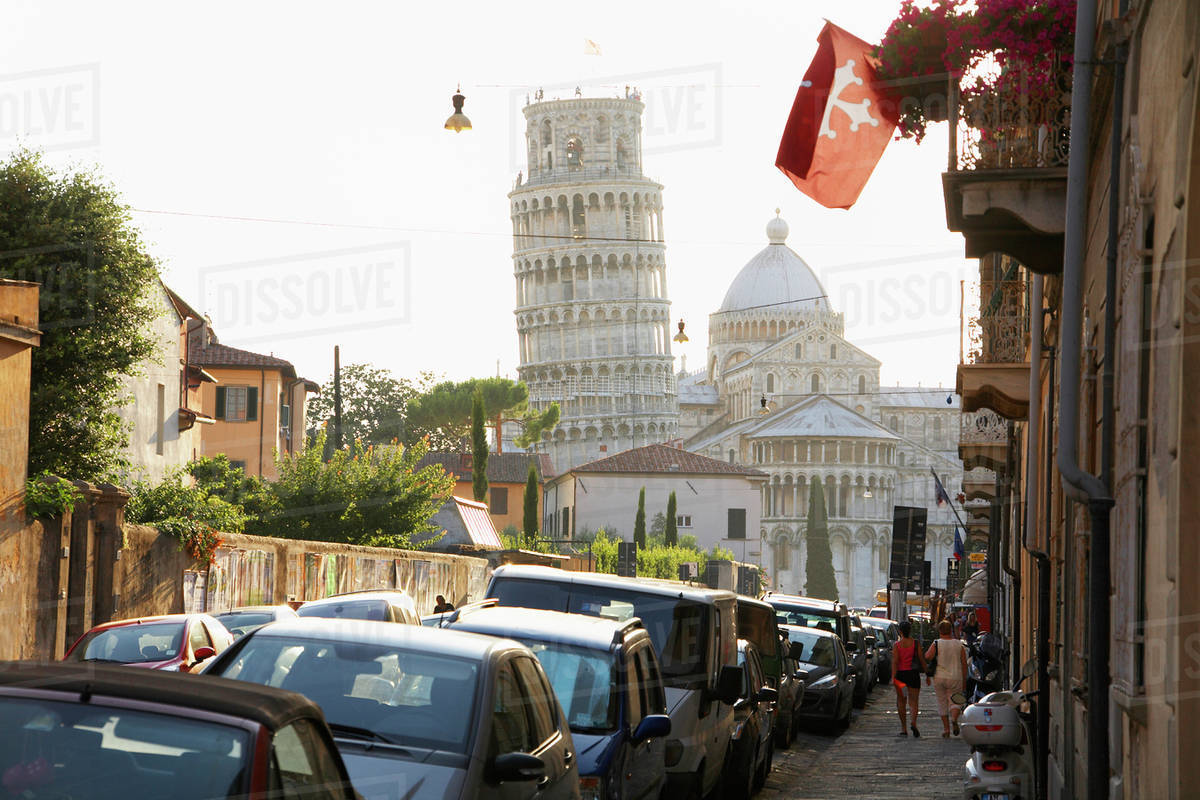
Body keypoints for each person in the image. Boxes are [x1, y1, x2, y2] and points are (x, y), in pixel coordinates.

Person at [926, 620, 969, 737]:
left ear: (940, 630)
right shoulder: (958, 644)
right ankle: (954, 719)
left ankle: (946, 729)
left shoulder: (936, 643)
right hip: (956, 676)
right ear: (951, 630)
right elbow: (964, 664)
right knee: (955, 700)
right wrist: (964, 679)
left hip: (939, 676)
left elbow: (927, 656)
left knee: (942, 702)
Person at [891, 620, 928, 737]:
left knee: (901, 701)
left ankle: (903, 728)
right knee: (914, 701)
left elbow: (895, 662)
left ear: (900, 631)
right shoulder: (915, 644)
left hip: (901, 676)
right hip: (913, 675)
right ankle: (913, 722)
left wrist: (893, 677)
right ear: (910, 630)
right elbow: (922, 660)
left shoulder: (897, 645)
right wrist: (927, 673)